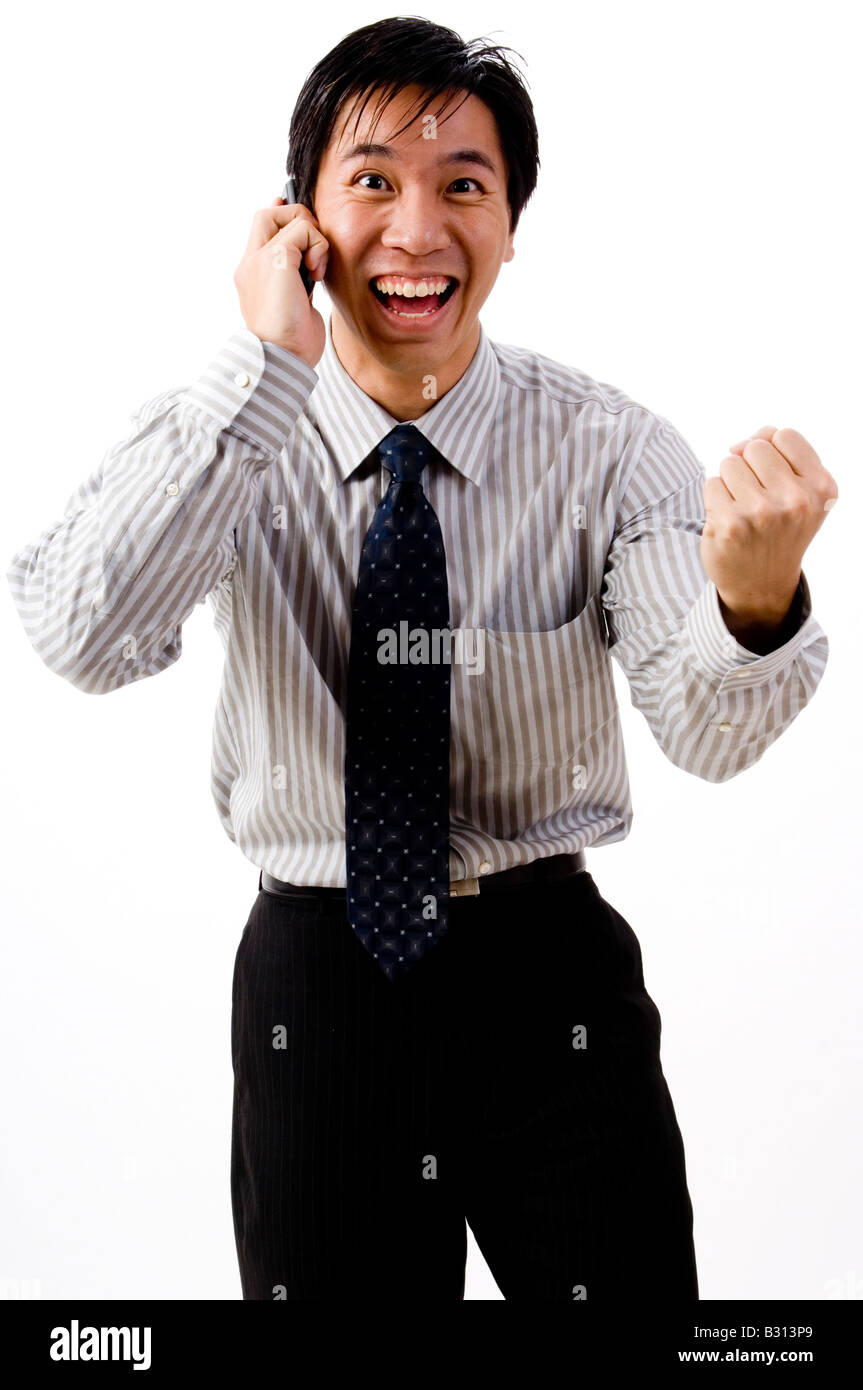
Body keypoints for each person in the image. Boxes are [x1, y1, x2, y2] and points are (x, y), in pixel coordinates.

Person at [6, 16, 837, 1302]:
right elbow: (79, 634)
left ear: (510, 226)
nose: (415, 229)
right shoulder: (226, 430)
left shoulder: (613, 451)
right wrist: (263, 367)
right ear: (300, 221)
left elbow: (704, 731)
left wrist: (749, 599)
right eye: (372, 181)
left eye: (463, 186)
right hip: (316, 984)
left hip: (545, 977)